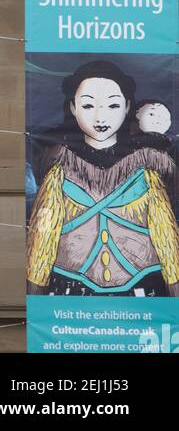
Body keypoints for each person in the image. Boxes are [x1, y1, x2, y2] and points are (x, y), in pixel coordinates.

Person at [26, 60, 179, 296]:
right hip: (70, 291)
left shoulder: (148, 168)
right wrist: (36, 291)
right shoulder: (59, 169)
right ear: (73, 108)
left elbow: (166, 237)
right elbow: (43, 236)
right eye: (88, 106)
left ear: (128, 107)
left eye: (112, 105)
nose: (100, 116)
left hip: (142, 292)